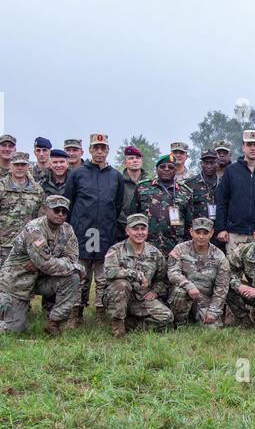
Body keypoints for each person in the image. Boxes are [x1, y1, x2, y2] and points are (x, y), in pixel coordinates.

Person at [0, 196, 82, 335]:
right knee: (13, 331)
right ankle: (1, 316)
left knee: (72, 278)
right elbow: (46, 264)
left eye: (64, 212)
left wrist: (43, 264)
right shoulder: (35, 230)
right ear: (46, 210)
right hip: (18, 280)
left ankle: (54, 323)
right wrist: (47, 264)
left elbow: (72, 258)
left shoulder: (68, 230)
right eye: (56, 210)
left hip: (43, 278)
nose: (60, 214)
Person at [63, 132, 126, 327]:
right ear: (89, 150)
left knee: (102, 277)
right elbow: (69, 203)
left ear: (108, 150)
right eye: (96, 147)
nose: (99, 151)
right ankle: (76, 313)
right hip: (81, 232)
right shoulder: (77, 173)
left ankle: (100, 313)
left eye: (103, 148)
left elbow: (117, 204)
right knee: (80, 276)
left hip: (105, 232)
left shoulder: (116, 176)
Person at [102, 214, 173, 336]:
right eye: (135, 229)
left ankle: (131, 323)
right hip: (118, 297)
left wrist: (155, 291)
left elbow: (162, 279)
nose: (140, 232)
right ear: (127, 230)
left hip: (142, 299)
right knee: (121, 284)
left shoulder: (154, 253)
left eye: (143, 229)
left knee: (167, 318)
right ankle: (118, 328)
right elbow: (109, 273)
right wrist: (135, 274)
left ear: (147, 230)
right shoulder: (116, 250)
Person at [0, 152, 45, 285]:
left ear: (28, 166)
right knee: (1, 283)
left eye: (23, 164)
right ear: (11, 166)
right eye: (16, 165)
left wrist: (38, 244)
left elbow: (41, 220)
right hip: (3, 246)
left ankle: (23, 307)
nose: (20, 168)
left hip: (27, 247)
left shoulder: (37, 190)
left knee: (24, 285)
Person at [167, 217, 229, 328]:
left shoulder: (219, 256)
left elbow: (221, 287)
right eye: (197, 232)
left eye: (205, 233)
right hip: (184, 294)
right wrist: (188, 285)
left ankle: (196, 316)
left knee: (212, 328)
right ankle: (179, 324)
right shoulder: (180, 249)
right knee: (179, 292)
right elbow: (172, 272)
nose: (201, 236)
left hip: (205, 300)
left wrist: (213, 311)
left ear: (211, 233)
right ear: (191, 232)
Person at [135, 154, 195, 255]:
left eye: (171, 167)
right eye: (162, 167)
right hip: (146, 247)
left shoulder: (186, 192)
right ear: (156, 169)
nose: (166, 169)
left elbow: (189, 225)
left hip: (175, 249)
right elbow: (134, 216)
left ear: (175, 170)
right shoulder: (142, 187)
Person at [186, 150, 219, 221]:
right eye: (206, 163)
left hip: (219, 228)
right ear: (201, 164)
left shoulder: (223, 183)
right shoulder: (190, 183)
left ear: (217, 163)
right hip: (199, 229)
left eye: (212, 163)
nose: (209, 166)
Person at [119, 145, 149, 220]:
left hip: (145, 227)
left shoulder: (149, 183)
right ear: (125, 163)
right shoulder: (119, 182)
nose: (135, 160)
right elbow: (116, 206)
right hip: (123, 226)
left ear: (142, 161)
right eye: (131, 158)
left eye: (138, 158)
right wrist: (129, 224)